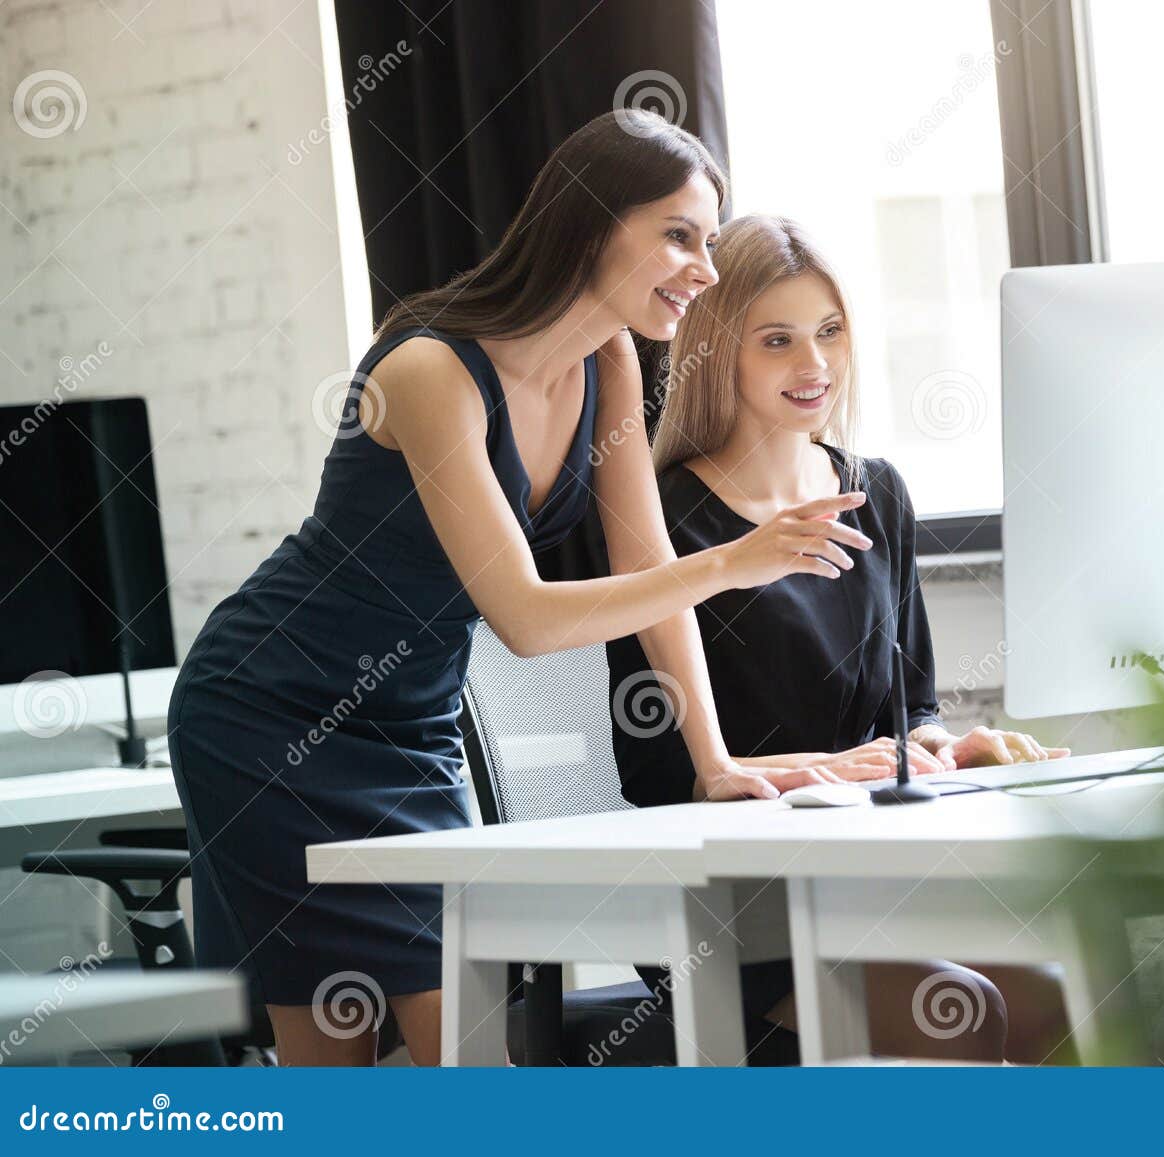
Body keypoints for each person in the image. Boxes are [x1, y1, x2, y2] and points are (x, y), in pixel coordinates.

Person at [167, 115, 868, 1066]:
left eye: (709, 238)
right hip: (268, 711)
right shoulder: (427, 368)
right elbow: (528, 619)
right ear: (589, 224)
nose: (704, 266)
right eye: (678, 234)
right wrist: (737, 558)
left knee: (468, 1052)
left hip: (412, 724)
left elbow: (643, 567)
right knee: (334, 1045)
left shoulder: (610, 359)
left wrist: (711, 758)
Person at [605, 214, 1074, 1063]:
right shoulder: (663, 520)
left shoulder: (876, 490)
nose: (814, 364)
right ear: (718, 353)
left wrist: (943, 746)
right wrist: (818, 770)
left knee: (1061, 999)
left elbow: (912, 702)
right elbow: (658, 770)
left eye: (828, 332)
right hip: (724, 898)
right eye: (778, 340)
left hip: (861, 873)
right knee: (962, 1015)